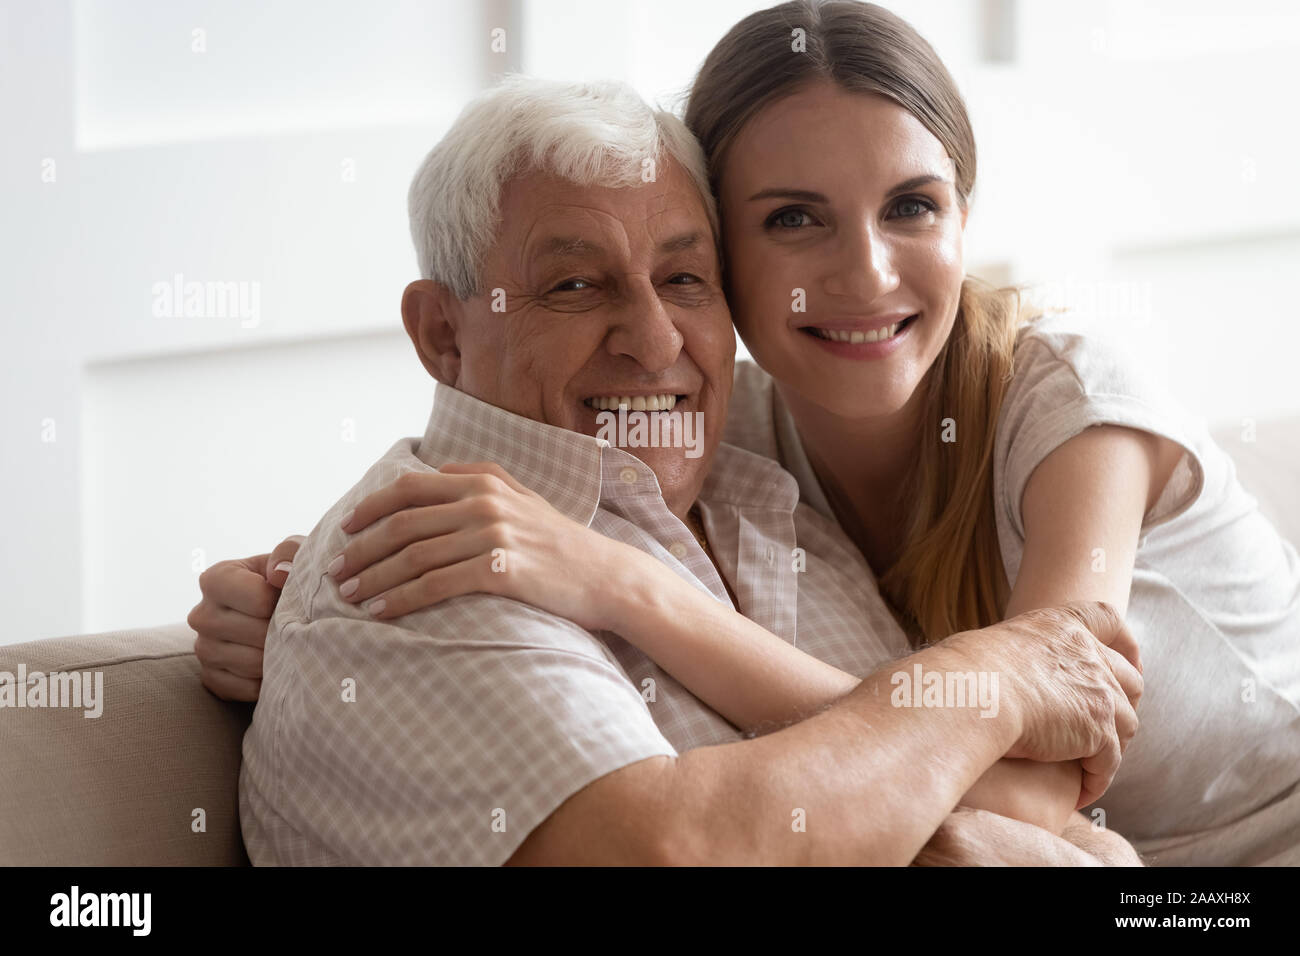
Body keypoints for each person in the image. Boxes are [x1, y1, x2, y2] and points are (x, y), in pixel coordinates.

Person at [293, 0, 1300, 865]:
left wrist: (619, 583)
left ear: (963, 216)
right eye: (792, 218)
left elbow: (1040, 759)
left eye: (911, 204)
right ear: (729, 253)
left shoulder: (1070, 406)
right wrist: (291, 588)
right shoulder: (728, 432)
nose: (864, 272)